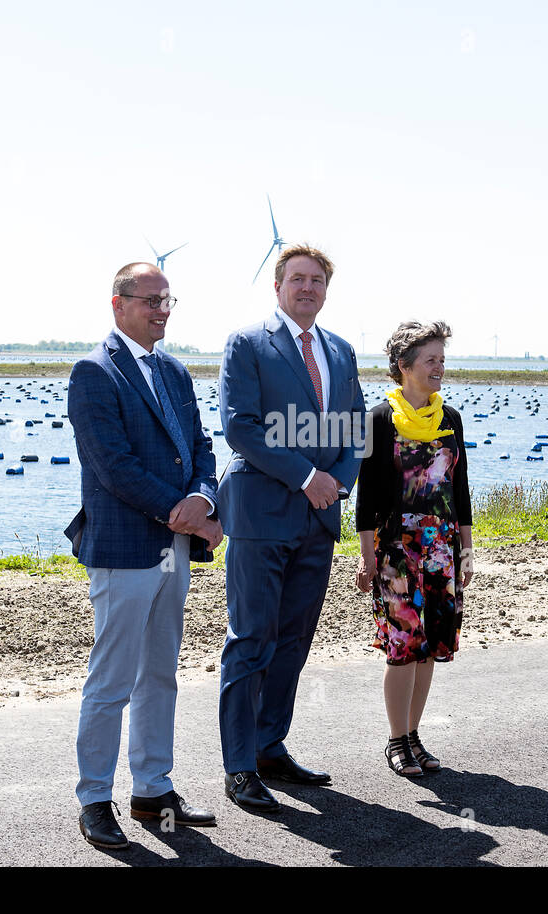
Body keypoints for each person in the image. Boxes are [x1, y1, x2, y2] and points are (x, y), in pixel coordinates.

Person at [64, 262, 223, 850]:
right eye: (151, 299)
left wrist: (205, 498)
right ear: (118, 304)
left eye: (168, 299)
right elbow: (113, 467)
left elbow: (202, 448)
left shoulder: (175, 372)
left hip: (174, 549)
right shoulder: (93, 373)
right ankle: (94, 798)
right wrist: (180, 512)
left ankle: (153, 789)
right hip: (125, 549)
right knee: (112, 679)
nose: (162, 309)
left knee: (160, 674)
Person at [216, 244, 367, 812]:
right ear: (278, 285)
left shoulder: (341, 350)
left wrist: (337, 483)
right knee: (251, 638)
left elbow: (357, 429)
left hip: (318, 519)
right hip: (260, 515)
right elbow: (241, 428)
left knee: (293, 642)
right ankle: (238, 766)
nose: (308, 288)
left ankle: (269, 745)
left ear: (327, 290)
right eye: (298, 279)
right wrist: (308, 476)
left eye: (317, 281)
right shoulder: (248, 344)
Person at [355, 321, 473, 777]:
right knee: (402, 646)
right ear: (404, 366)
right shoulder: (379, 420)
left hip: (442, 548)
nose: (439, 368)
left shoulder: (451, 419)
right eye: (431, 360)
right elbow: (366, 499)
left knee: (429, 647)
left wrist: (466, 548)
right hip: (396, 552)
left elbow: (460, 491)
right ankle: (395, 740)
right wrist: (366, 558)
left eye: (442, 360)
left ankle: (415, 736)